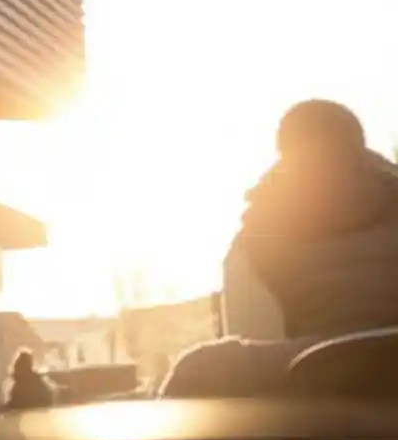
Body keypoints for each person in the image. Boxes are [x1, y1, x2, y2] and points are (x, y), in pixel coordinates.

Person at [159, 99, 398, 398]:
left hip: (322, 371)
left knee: (195, 372)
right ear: (358, 143)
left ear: (285, 151)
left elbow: (256, 330)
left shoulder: (260, 225)